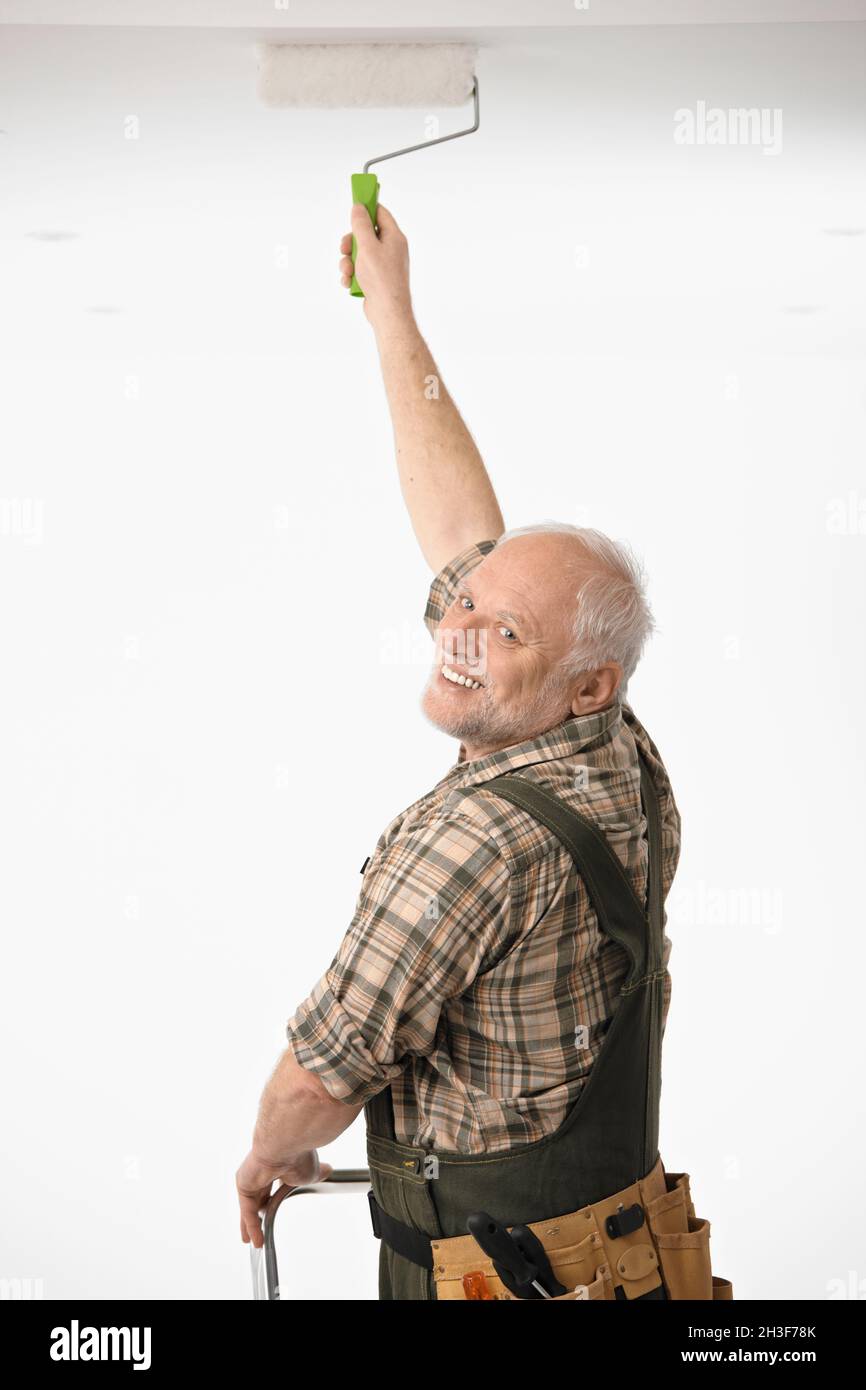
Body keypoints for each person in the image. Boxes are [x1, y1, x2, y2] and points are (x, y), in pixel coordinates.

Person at [235, 202, 681, 1300]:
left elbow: (320, 1074)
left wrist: (271, 1154)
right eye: (462, 608)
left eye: (504, 630)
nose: (460, 636)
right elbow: (462, 532)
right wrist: (392, 310)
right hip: (625, 1258)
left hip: (495, 1277)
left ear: (586, 681)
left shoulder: (471, 842)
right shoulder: (611, 745)